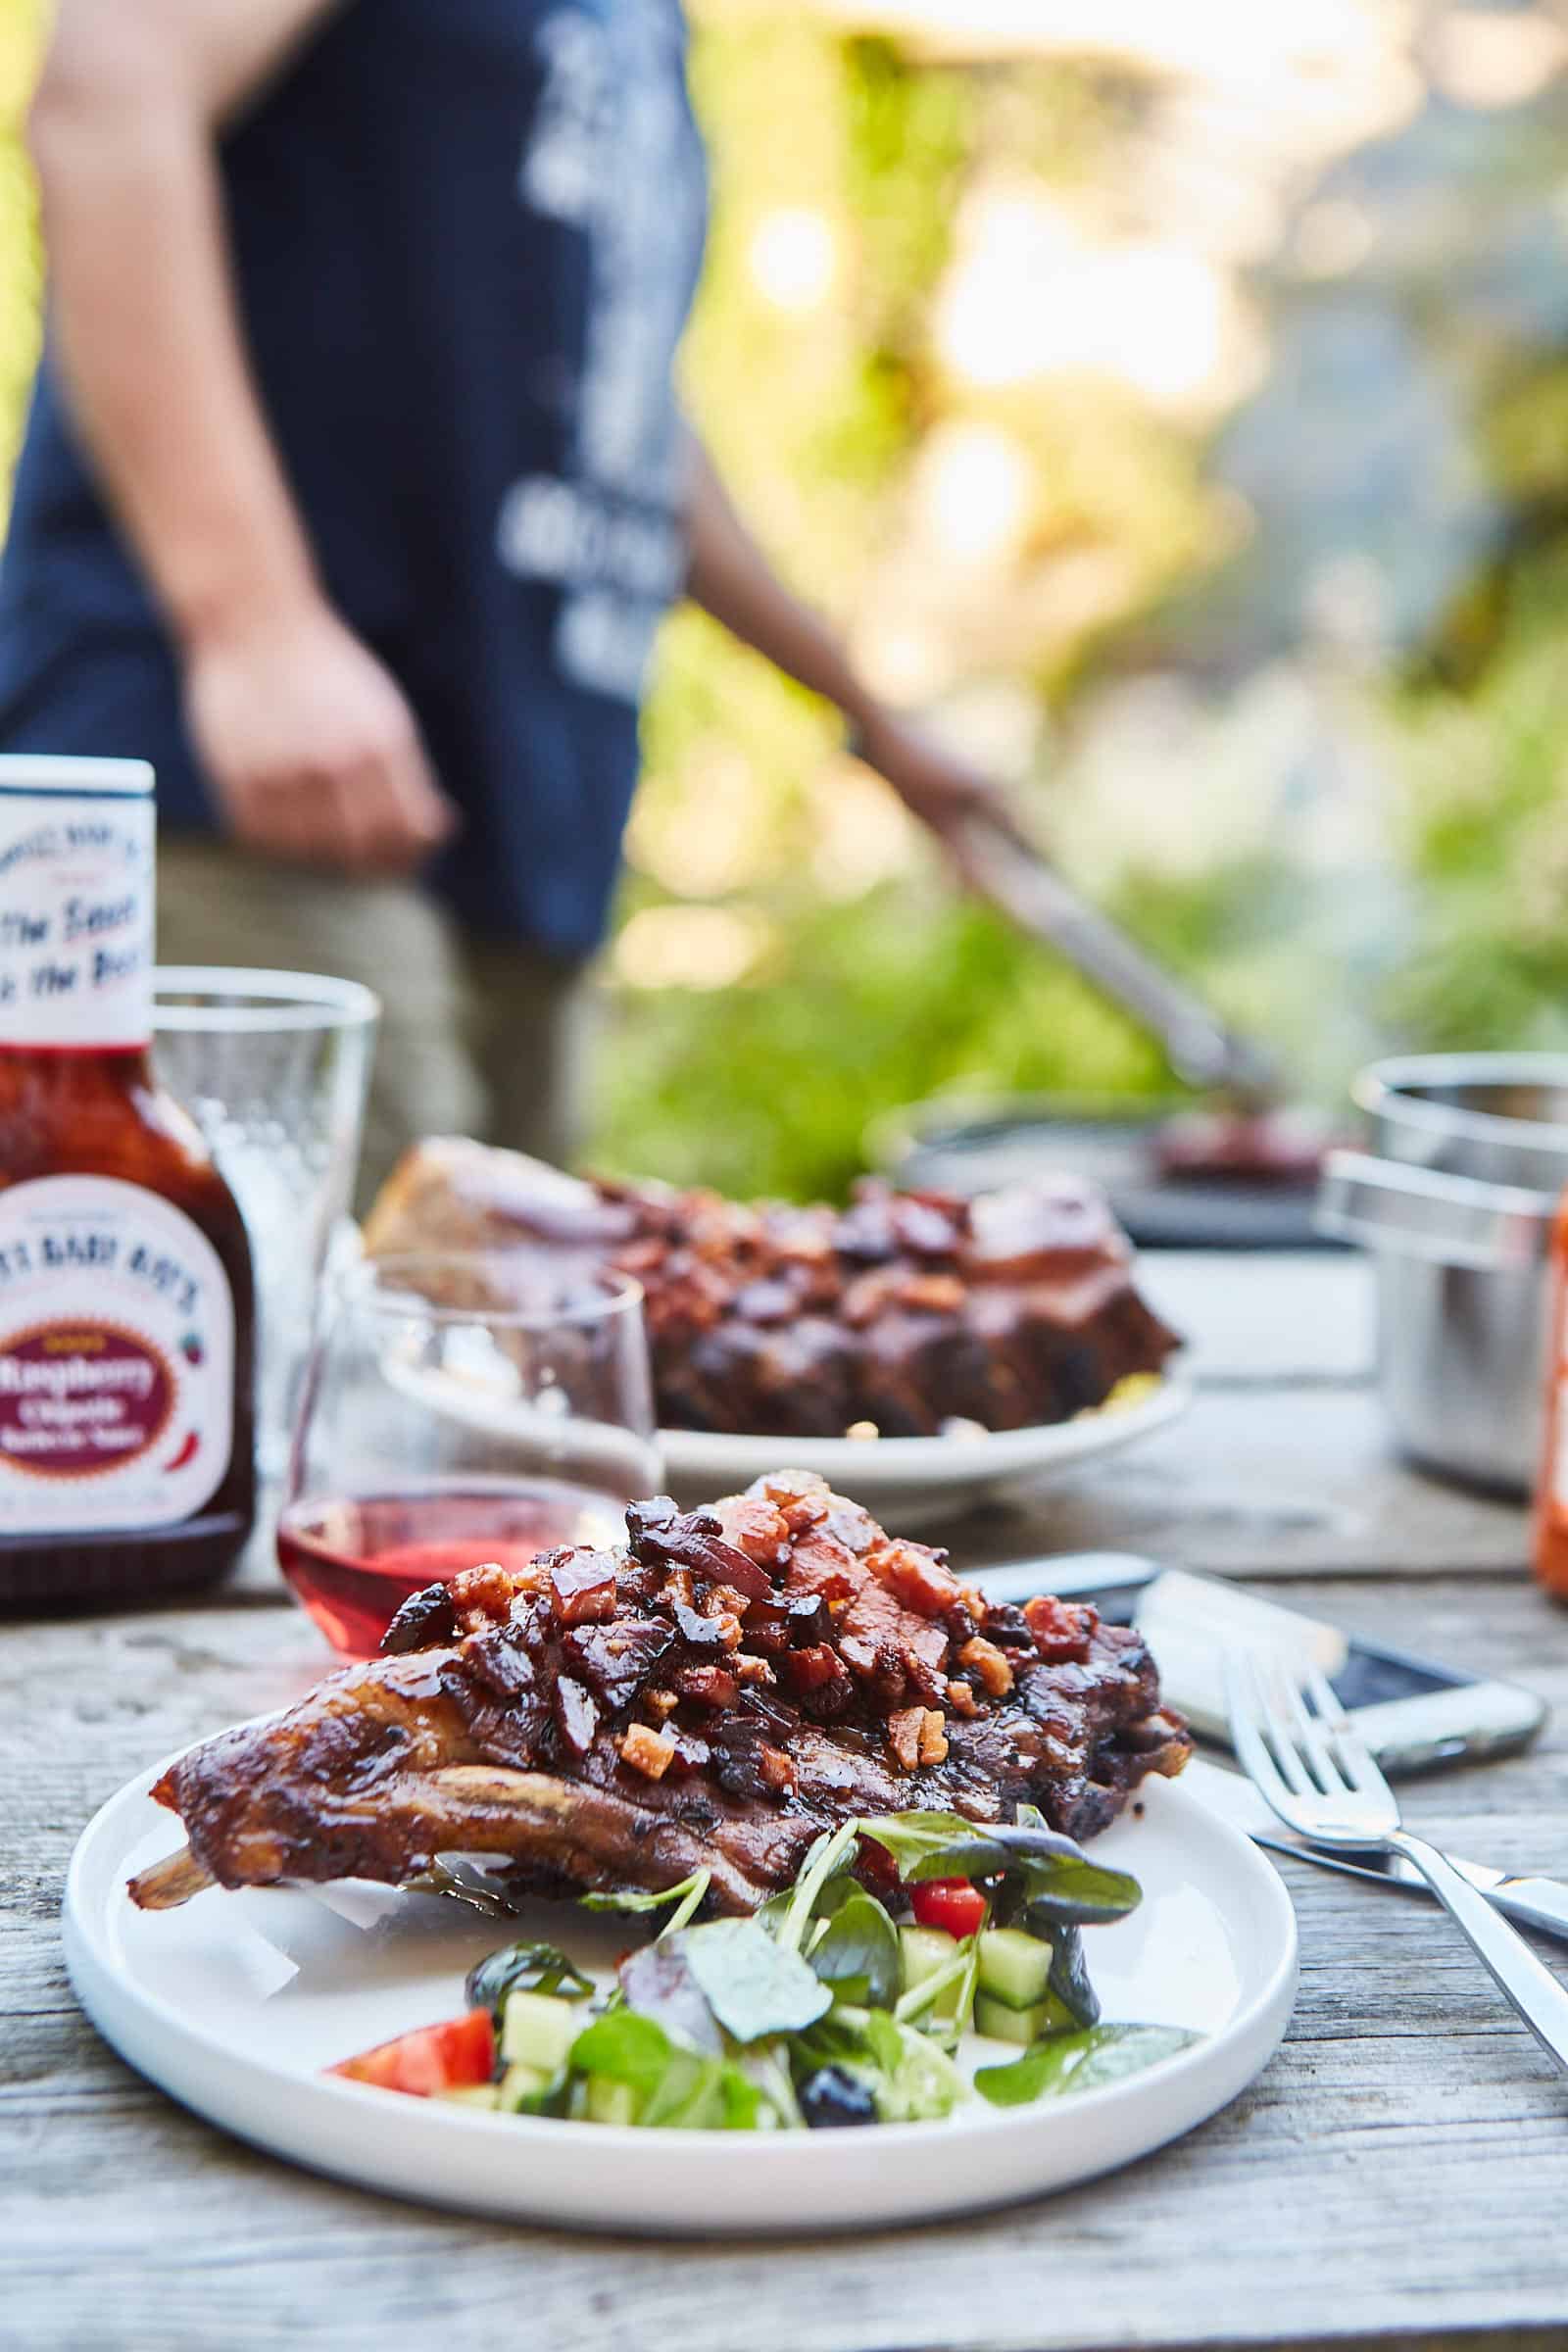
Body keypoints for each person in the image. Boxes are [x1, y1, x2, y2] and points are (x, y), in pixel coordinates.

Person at [0, 0, 1014, 1197]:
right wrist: (252, 626)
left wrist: (870, 716)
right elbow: (110, 95)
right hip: (248, 789)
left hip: (510, 822)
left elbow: (620, 420)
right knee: (346, 1299)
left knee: (512, 1297)